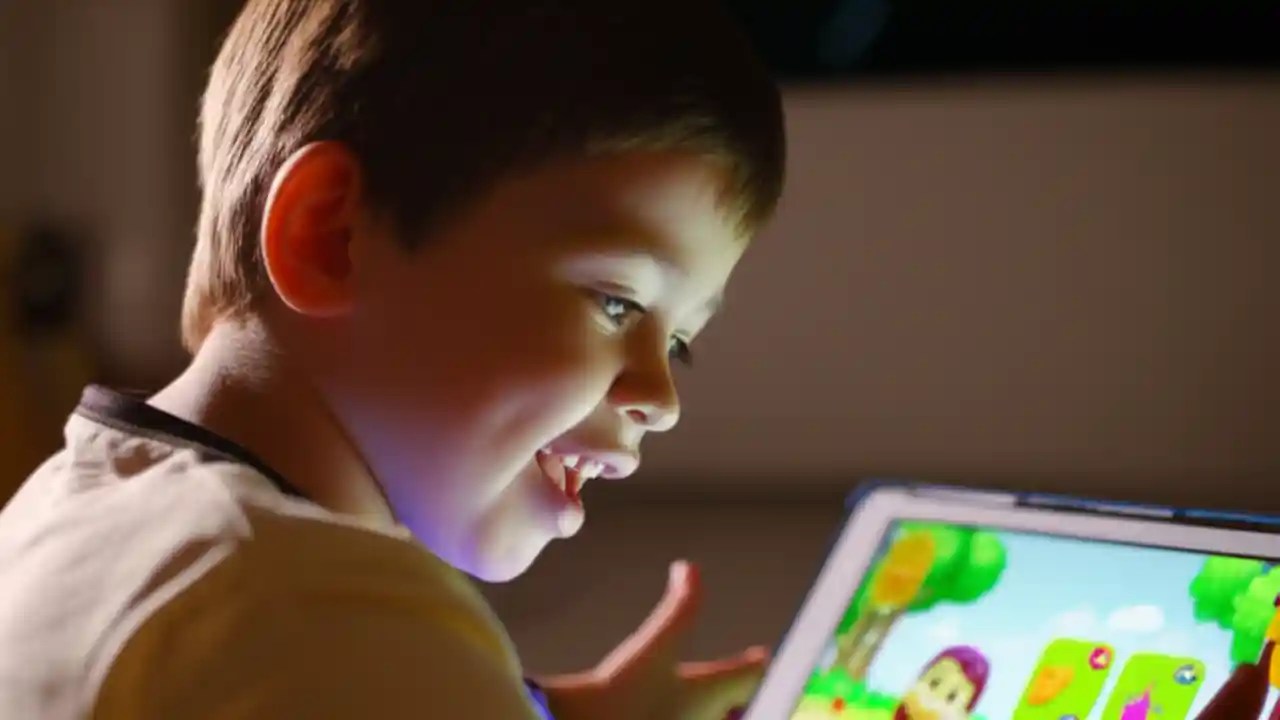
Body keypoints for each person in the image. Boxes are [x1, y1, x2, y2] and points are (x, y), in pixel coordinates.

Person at [0, 0, 786, 717]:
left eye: (679, 343)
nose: (660, 397)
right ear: (330, 237)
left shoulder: (68, 516)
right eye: (617, 302)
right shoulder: (317, 610)